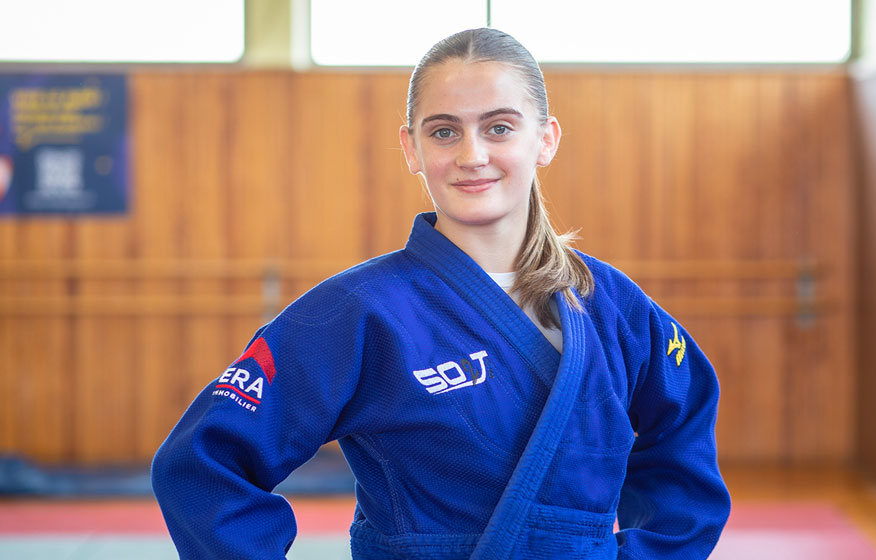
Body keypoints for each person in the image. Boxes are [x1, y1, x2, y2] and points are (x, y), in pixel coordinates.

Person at [152, 28, 730, 559]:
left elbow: (683, 427)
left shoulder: (613, 307)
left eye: (499, 127)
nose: (471, 155)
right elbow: (203, 461)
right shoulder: (359, 313)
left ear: (545, 138)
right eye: (444, 131)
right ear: (411, 148)